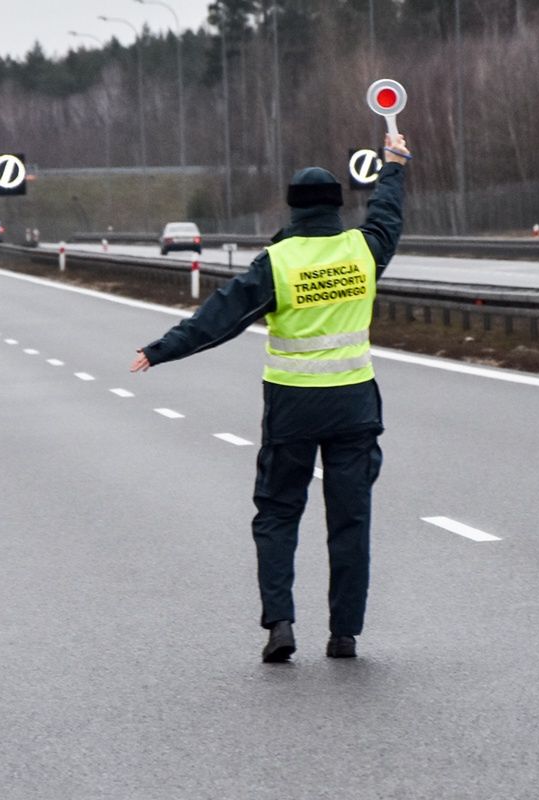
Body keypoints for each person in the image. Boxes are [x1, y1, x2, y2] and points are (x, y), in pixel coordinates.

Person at [130, 133, 410, 662]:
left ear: (293, 208)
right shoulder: (363, 250)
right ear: (336, 206)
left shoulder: (276, 263)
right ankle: (344, 634)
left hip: (293, 409)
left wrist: (161, 350)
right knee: (349, 521)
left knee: (278, 514)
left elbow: (220, 318)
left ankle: (280, 625)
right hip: (353, 407)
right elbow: (387, 218)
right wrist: (393, 164)